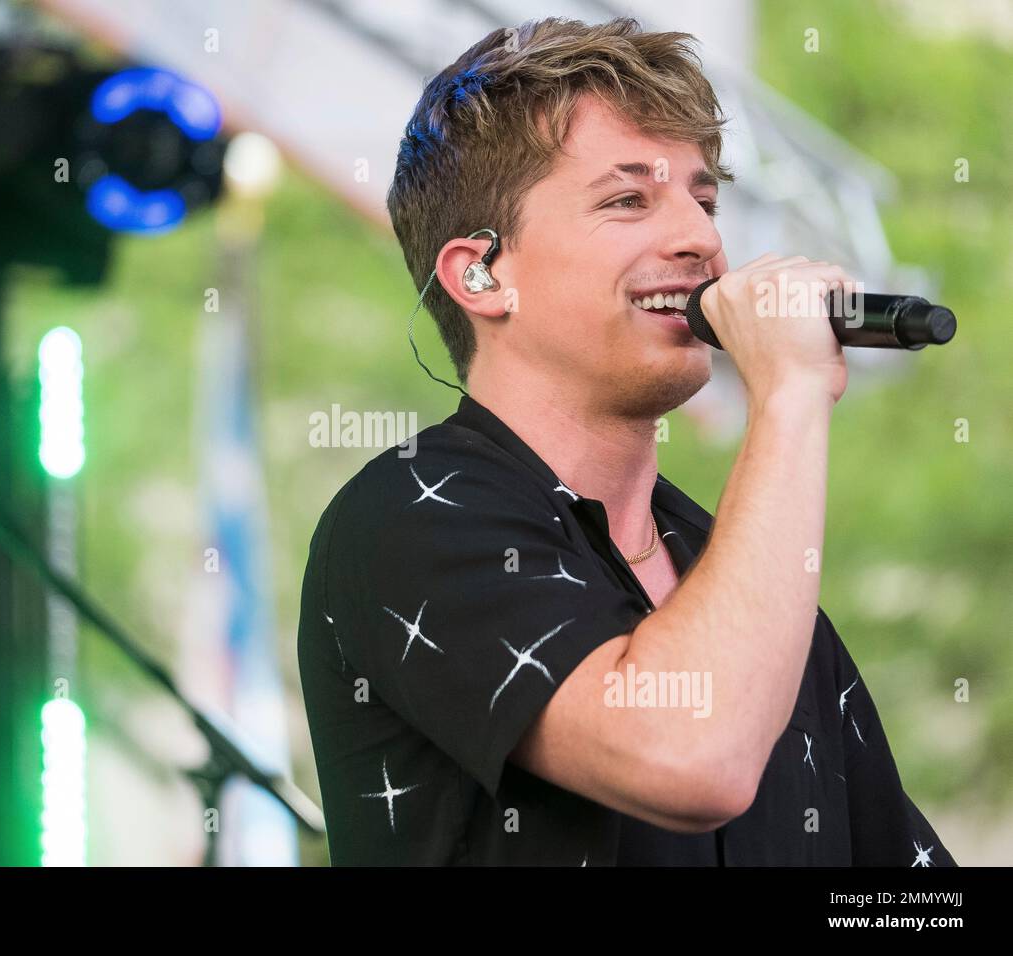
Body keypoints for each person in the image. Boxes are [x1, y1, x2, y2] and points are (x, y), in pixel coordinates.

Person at [296, 16, 955, 866]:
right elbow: (690, 756)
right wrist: (790, 394)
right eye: (627, 199)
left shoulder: (750, 591)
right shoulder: (409, 519)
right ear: (482, 273)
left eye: (704, 198)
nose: (701, 239)